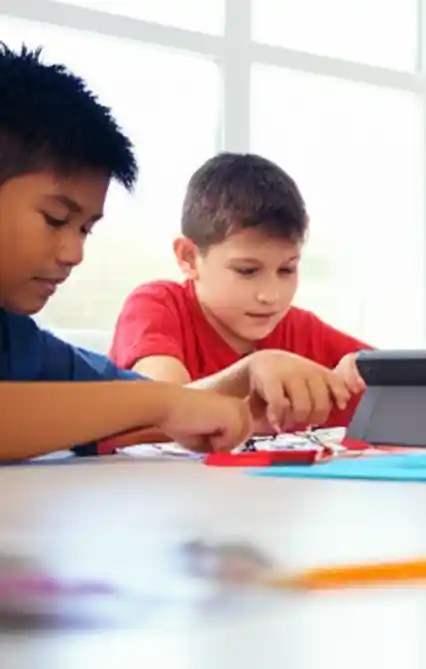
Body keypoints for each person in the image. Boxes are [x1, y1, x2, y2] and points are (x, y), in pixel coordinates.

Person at [0, 44, 351, 462]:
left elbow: (126, 405)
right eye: (56, 219)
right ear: (189, 258)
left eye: (86, 229)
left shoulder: (21, 342)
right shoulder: (159, 303)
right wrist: (164, 405)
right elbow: (155, 403)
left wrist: (240, 380)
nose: (75, 253)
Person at [109, 153, 370, 428]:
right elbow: (159, 409)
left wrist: (371, 371)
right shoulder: (157, 306)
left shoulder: (298, 328)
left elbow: (412, 384)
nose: (271, 296)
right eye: (247, 271)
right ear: (188, 257)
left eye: (286, 270)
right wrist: (251, 372)